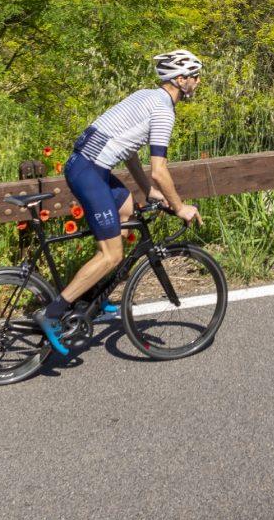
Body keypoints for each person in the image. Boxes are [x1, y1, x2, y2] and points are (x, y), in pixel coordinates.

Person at [37, 51, 204, 355]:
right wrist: (179, 206)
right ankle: (52, 313)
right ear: (180, 80)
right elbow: (160, 170)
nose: (198, 81)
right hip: (90, 171)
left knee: (128, 212)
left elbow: (128, 151)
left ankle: (92, 299)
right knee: (112, 255)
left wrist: (147, 191)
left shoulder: (146, 96)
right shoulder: (164, 110)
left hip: (87, 166)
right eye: (195, 76)